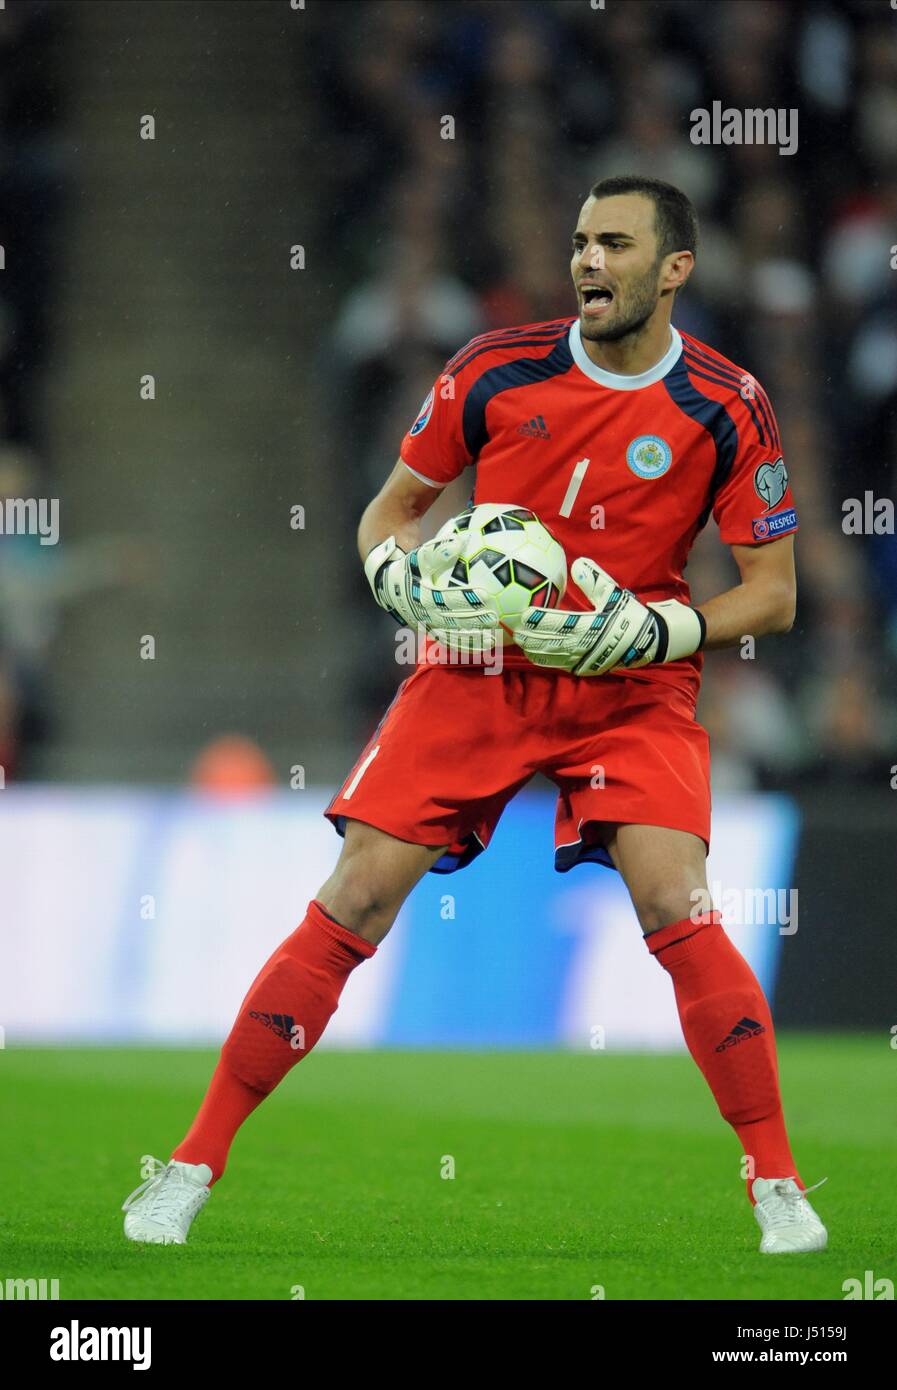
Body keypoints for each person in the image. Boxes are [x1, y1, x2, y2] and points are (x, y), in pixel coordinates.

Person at [121, 175, 826, 1256]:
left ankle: (778, 1186)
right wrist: (394, 579)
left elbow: (773, 592)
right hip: (476, 666)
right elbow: (389, 515)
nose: (589, 262)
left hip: (630, 684)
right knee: (354, 896)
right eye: (584, 242)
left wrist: (655, 632)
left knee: (678, 904)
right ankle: (190, 1165)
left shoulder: (727, 403)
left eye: (618, 245)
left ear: (675, 268)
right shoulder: (493, 368)